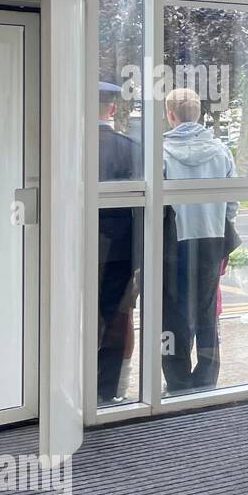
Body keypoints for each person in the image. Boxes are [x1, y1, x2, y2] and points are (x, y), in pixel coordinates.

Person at [162, 87, 238, 394]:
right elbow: (232, 201)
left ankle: (177, 379)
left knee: (171, 311)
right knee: (208, 309)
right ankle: (207, 376)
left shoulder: (161, 152)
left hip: (173, 240)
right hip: (212, 237)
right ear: (199, 114)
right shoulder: (220, 151)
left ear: (170, 115)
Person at [96, 81, 143, 405]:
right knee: (116, 317)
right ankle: (108, 388)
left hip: (77, 248)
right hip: (120, 251)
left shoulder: (64, 144)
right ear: (112, 109)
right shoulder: (130, 147)